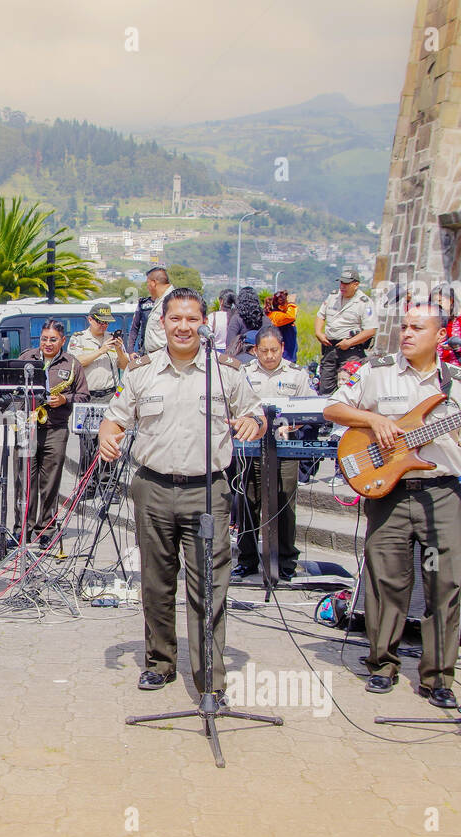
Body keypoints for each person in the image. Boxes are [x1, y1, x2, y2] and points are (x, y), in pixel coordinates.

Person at [324, 304, 461, 708]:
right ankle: (382, 665)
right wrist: (372, 420)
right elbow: (332, 407)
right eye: (403, 326)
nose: (407, 333)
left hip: (442, 494)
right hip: (390, 493)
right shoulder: (377, 370)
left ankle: (438, 678)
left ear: (440, 336)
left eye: (418, 327)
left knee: (446, 584)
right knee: (386, 581)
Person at [98, 288, 265, 692]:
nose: (184, 326)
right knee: (156, 582)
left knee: (208, 585)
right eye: (176, 319)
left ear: (204, 324)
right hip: (152, 489)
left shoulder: (225, 371)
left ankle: (210, 677)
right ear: (163, 323)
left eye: (192, 319)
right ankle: (160, 661)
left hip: (208, 492)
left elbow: (255, 414)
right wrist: (108, 436)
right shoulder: (141, 371)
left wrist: (251, 425)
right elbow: (114, 418)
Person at [235, 326, 313, 581]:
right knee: (249, 502)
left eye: (274, 350)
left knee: (284, 503)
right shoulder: (243, 373)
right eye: (263, 351)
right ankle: (247, 559)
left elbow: (309, 408)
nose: (268, 356)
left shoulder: (297, 375)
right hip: (251, 448)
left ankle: (286, 560)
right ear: (255, 350)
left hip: (284, 448)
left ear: (282, 348)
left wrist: (294, 424)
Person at [14, 320, 89, 547]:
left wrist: (65, 399)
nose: (47, 343)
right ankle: (22, 529)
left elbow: (84, 396)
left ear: (62, 341)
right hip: (27, 428)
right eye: (44, 338)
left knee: (50, 482)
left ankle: (46, 529)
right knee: (25, 481)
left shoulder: (73, 364)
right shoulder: (25, 359)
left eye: (53, 339)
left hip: (55, 429)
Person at [314, 267, 377, 395]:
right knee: (325, 387)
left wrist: (349, 343)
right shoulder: (333, 296)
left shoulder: (364, 302)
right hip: (330, 347)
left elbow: (370, 330)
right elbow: (320, 316)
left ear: (356, 284)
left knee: (349, 388)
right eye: (341, 283)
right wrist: (318, 333)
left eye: (346, 283)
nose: (343, 286)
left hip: (351, 350)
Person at [67, 303, 128, 403]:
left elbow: (125, 366)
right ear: (90, 319)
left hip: (111, 395)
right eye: (100, 322)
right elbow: (76, 363)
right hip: (87, 395)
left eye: (107, 322)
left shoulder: (112, 338)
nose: (104, 325)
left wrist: (119, 350)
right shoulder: (79, 338)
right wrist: (101, 351)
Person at [139, 266, 176, 355]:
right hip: (153, 355)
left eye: (147, 283)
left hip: (164, 355)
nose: (147, 287)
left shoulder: (172, 300)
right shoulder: (159, 300)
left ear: (153, 283)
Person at [225, 286, 264, 359]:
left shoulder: (236, 319)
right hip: (262, 359)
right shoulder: (265, 319)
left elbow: (230, 343)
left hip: (240, 360)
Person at [263, 289, 298, 363]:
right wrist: (291, 303)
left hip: (288, 357)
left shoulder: (280, 315)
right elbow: (291, 316)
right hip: (281, 358)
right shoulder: (276, 316)